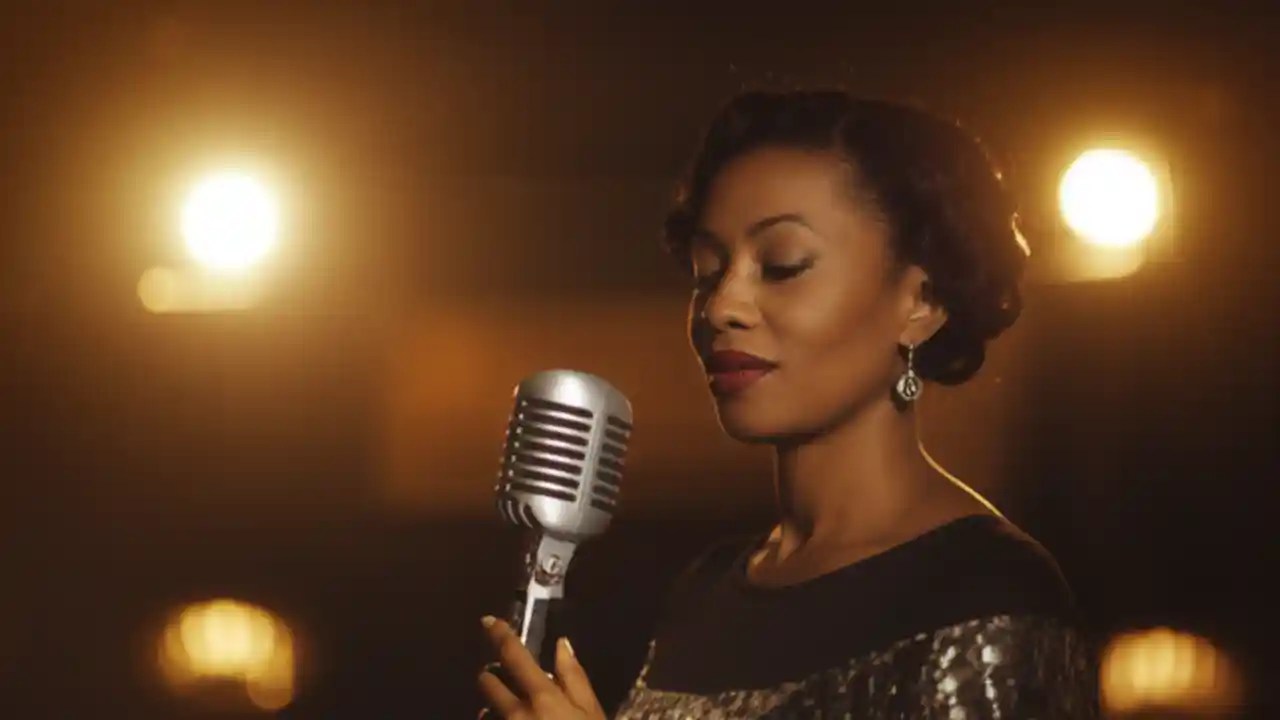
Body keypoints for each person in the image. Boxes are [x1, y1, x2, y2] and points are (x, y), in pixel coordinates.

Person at [476, 90, 1100, 719]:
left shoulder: (989, 594)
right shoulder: (706, 591)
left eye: (782, 265)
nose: (722, 306)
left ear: (923, 303)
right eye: (706, 271)